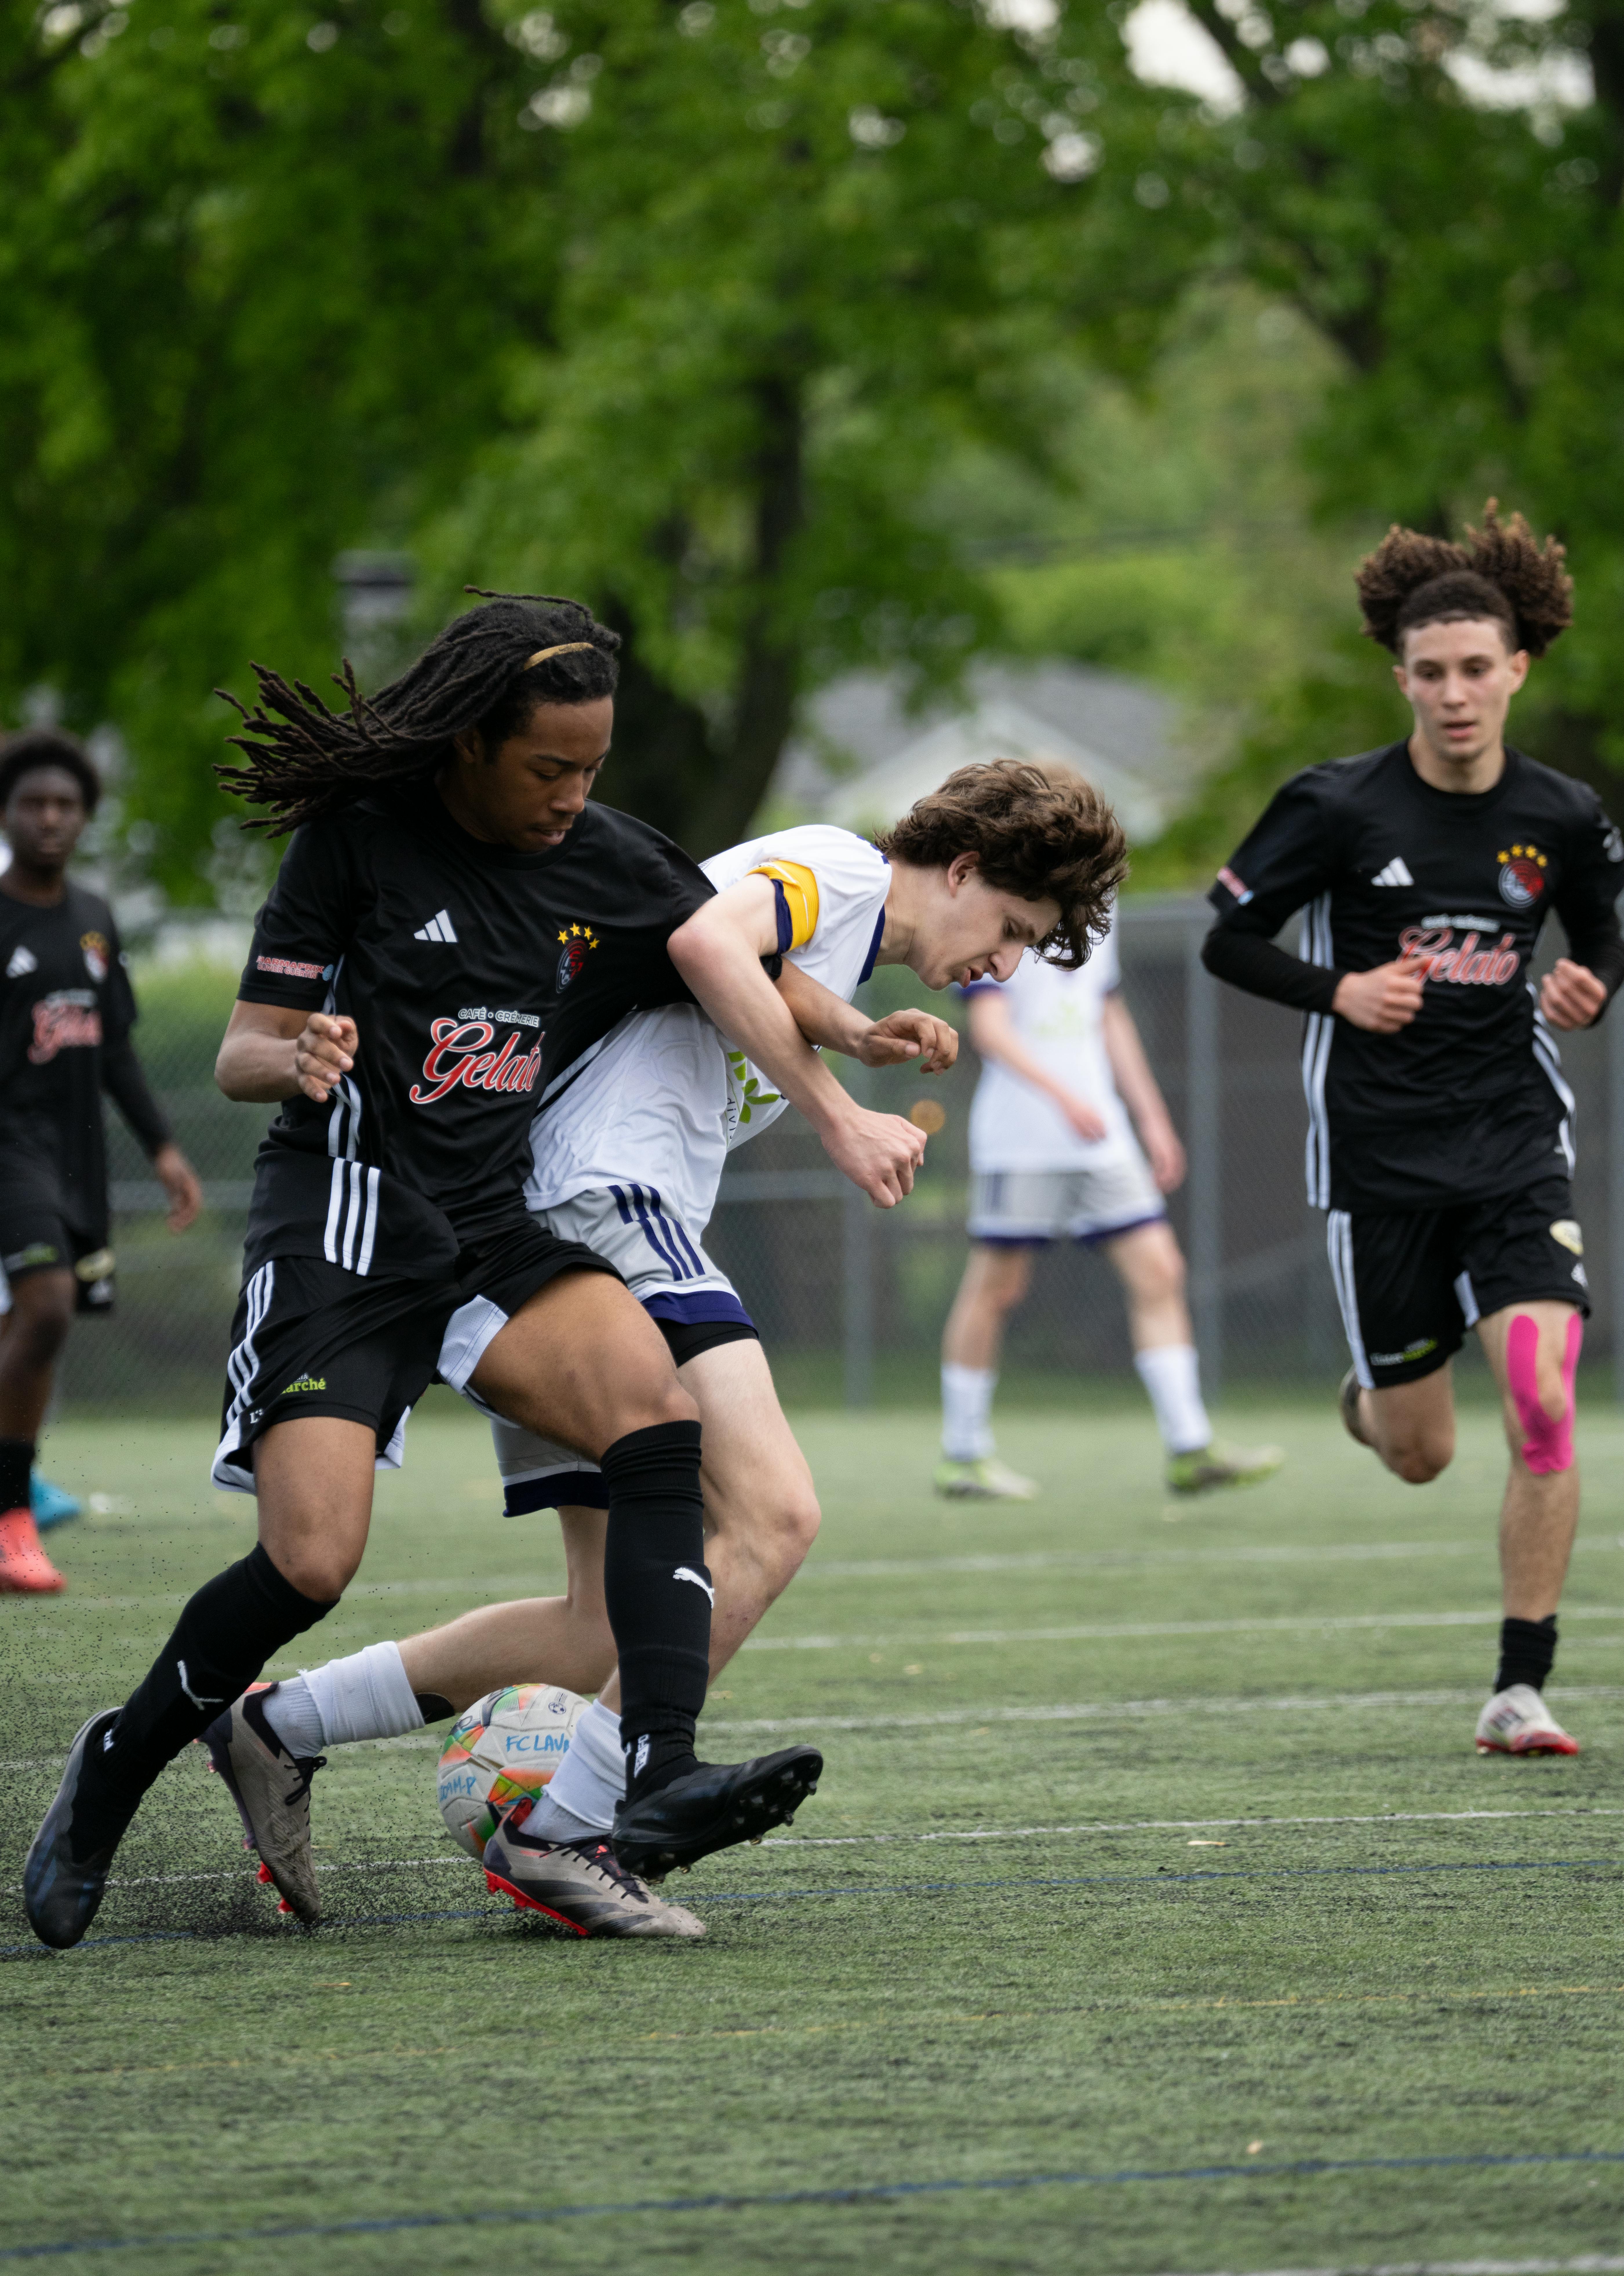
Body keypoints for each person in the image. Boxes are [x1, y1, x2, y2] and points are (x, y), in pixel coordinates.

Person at [24, 594, 924, 1951]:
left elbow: (736, 953)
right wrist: (303, 1053)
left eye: (593, 770)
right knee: (311, 1562)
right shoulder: (360, 843)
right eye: (546, 769)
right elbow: (242, 1051)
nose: (573, 797)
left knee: (656, 1417)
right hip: (344, 1229)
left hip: (490, 1232)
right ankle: (117, 1766)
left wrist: (850, 1038)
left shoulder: (608, 857)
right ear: (464, 749)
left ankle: (658, 1773)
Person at [206, 761, 1128, 1930]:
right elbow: (708, 943)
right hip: (603, 1200)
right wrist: (842, 1115)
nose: (1001, 964)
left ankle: (276, 1726)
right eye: (1011, 928)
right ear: (959, 868)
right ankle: (568, 1827)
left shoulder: (834, 928)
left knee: (601, 1617)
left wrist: (851, 1028)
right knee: (776, 1514)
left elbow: (736, 949)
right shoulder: (843, 868)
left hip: (537, 1239)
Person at [1202, 504, 1624, 1758]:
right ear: (1403, 679)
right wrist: (1338, 988)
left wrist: (1590, 980)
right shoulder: (1334, 807)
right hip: (1378, 1157)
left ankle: (1519, 1686)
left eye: (1476, 671)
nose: (1454, 694)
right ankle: (1376, 1401)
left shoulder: (1560, 811)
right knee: (1424, 1454)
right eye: (1430, 673)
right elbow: (1230, 936)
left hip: (1510, 1138)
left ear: (1516, 673)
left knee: (1544, 1402)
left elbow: (1603, 925)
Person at [936, 801, 1285, 1499]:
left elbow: (1108, 1013)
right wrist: (1062, 1097)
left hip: (1103, 1143)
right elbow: (993, 1031)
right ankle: (964, 1452)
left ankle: (1190, 1446)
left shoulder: (1101, 910)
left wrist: (1150, 1118)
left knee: (1160, 1269)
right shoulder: (1003, 909)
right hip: (1024, 1141)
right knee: (999, 1288)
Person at [0, 730, 202, 1594]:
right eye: (33, 804)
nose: (50, 818)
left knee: (33, 1329)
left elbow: (115, 1050)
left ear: (84, 818)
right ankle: (10, 1516)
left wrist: (163, 1148)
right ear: (6, 815)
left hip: (76, 1157)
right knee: (43, 1310)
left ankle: (11, 1517)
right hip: (8, 1147)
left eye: (65, 805)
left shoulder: (93, 917)